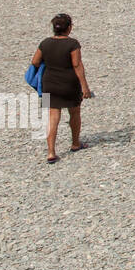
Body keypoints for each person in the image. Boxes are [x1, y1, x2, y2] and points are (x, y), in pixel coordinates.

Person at [31, 13, 92, 163]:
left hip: (48, 83)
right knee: (75, 112)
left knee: (52, 117)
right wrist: (85, 86)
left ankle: (51, 152)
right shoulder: (73, 44)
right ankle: (75, 143)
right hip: (69, 84)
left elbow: (35, 61)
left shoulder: (45, 43)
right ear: (69, 28)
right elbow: (77, 65)